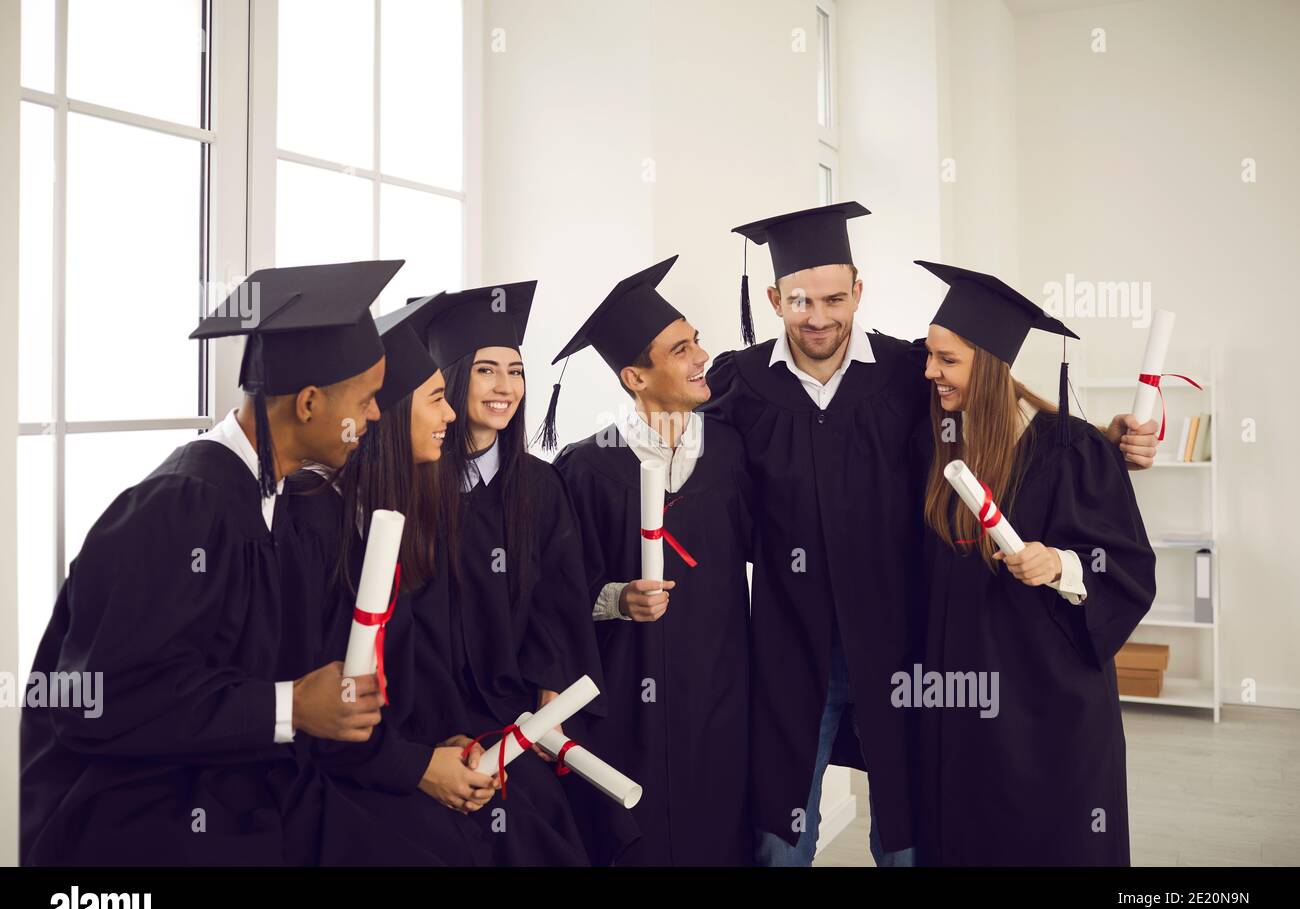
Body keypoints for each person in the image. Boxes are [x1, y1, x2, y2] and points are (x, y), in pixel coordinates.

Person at [700, 202, 1159, 867]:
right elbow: (687, 455)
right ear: (774, 299)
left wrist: (1102, 438)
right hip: (788, 646)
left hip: (904, 641)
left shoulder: (903, 372)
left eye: (835, 297)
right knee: (778, 831)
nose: (819, 315)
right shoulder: (738, 382)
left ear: (859, 291)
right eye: (801, 300)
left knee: (914, 823)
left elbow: (998, 393)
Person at [20, 261, 398, 865]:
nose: (376, 417)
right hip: (132, 802)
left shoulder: (276, 499)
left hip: (225, 771)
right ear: (307, 403)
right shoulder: (180, 508)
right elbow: (97, 701)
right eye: (368, 400)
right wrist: (293, 706)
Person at [911, 261, 1156, 865]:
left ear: (989, 366)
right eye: (929, 355)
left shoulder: (1072, 448)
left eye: (947, 360)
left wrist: (1061, 565)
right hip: (965, 696)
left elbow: (1125, 566)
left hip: (1050, 699)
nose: (929, 371)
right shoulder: (941, 439)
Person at [548, 256, 754, 865]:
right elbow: (556, 594)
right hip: (626, 704)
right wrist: (615, 598)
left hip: (718, 692)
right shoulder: (587, 468)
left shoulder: (729, 452)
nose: (701, 357)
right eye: (680, 349)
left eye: (696, 341)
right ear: (635, 378)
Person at [285, 296, 494, 865]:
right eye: (436, 401)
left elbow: (413, 664)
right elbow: (316, 696)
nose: (452, 416)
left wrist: (442, 744)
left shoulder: (396, 513)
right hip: (324, 772)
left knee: (523, 816)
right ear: (392, 415)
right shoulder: (310, 517)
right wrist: (419, 767)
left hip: (389, 749)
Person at [416, 280, 605, 865]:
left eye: (516, 372)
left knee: (543, 820)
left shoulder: (540, 487)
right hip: (422, 719)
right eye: (487, 371)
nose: (506, 388)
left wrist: (548, 696)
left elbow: (559, 601)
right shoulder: (411, 487)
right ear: (450, 379)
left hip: (513, 714)